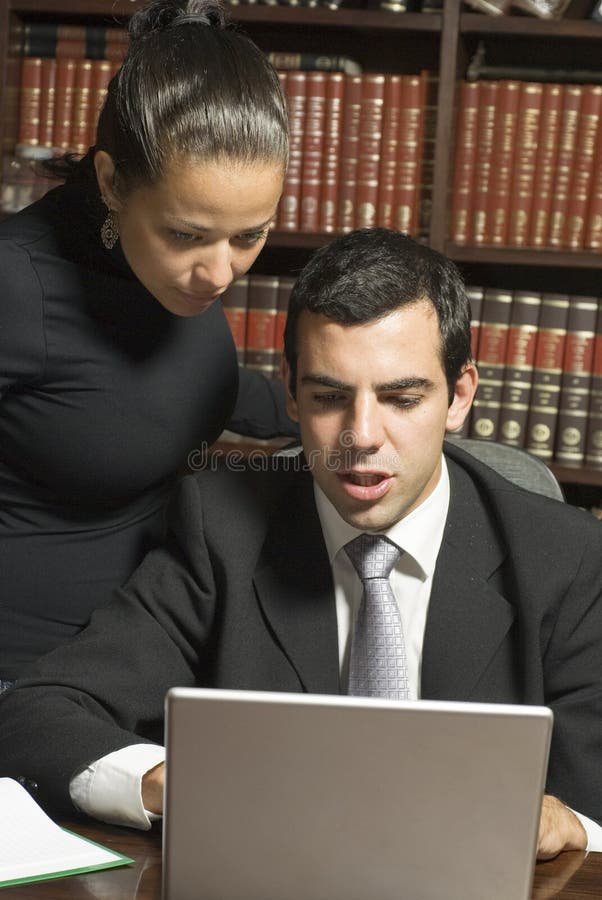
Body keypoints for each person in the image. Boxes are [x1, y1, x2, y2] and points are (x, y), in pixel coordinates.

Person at [1, 228, 602, 861]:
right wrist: (168, 781)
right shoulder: (220, 529)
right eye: (329, 397)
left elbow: (592, 797)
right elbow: (37, 715)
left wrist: (572, 824)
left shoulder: (569, 558)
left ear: (459, 397)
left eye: (401, 398)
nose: (361, 436)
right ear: (290, 392)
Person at [0, 0, 298, 685]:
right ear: (111, 182)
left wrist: (342, 406)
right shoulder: (17, 285)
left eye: (249, 236)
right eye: (187, 235)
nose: (220, 272)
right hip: (28, 683)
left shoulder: (164, 272)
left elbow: (166, 384)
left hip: (151, 653)